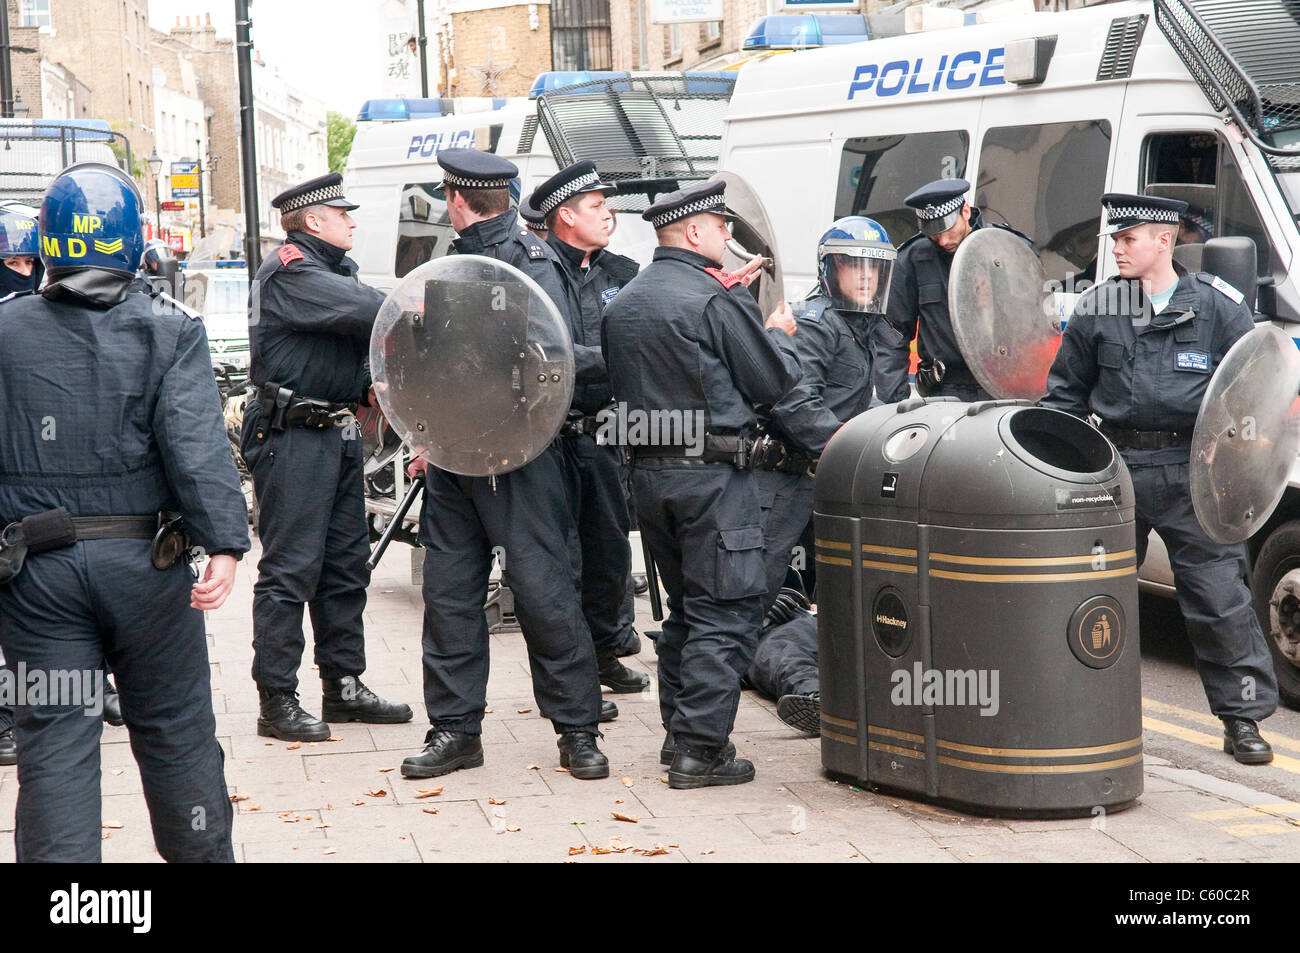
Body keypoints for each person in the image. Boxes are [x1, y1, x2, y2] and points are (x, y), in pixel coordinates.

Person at [0, 161, 248, 861]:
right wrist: (224, 543)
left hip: (36, 577)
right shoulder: (170, 330)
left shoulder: (7, 333)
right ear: (135, 241)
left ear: (47, 243)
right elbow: (196, 446)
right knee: (176, 733)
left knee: (55, 743)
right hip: (149, 569)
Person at [1040, 192, 1278, 765]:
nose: (1117, 249)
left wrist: (1239, 475)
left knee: (1220, 600)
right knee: (1087, 594)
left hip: (1193, 475)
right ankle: (1065, 709)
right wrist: (1059, 476)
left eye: (1128, 239)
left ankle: (1242, 718)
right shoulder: (1099, 309)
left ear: (1164, 241)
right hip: (1115, 469)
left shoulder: (1220, 309)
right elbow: (1065, 400)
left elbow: (1254, 398)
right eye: (1115, 240)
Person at [401, 148, 609, 781]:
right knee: (450, 597)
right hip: (456, 457)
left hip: (519, 458)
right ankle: (456, 730)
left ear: (457, 200)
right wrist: (424, 428)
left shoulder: (529, 262)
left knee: (545, 592)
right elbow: (427, 360)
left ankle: (578, 729)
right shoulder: (453, 265)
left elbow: (554, 359)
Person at [602, 179, 802, 788]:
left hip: (651, 479)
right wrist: (776, 336)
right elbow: (776, 386)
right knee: (728, 612)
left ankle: (678, 737)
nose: (728, 238)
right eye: (721, 227)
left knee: (688, 611)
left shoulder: (626, 300)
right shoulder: (715, 300)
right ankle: (699, 752)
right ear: (694, 231)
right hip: (716, 481)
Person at [243, 172, 412, 741]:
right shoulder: (291, 270)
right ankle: (277, 700)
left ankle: (343, 686)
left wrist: (369, 383)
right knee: (291, 569)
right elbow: (366, 310)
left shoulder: (336, 270)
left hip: (337, 433)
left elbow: (359, 340)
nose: (353, 222)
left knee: (344, 566)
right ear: (314, 220)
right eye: (344, 214)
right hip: (292, 435)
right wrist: (421, 297)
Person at [746, 216, 897, 735]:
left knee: (838, 585)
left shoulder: (866, 328)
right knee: (753, 598)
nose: (865, 276)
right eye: (852, 264)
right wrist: (846, 448)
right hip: (788, 481)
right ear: (828, 270)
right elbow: (793, 399)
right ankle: (707, 715)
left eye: (874, 267)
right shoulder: (815, 322)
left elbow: (861, 401)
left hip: (828, 479)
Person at [530, 161, 649, 698]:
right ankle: (572, 673)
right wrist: (616, 361)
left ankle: (605, 652)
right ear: (565, 216)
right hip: (548, 437)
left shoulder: (622, 272)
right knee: (562, 557)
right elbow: (545, 355)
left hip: (604, 432)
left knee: (608, 550)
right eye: (598, 206)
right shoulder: (538, 272)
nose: (610, 214)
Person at [875, 177, 1028, 402]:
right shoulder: (914, 258)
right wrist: (895, 404)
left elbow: (1035, 327)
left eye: (949, 228)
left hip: (1004, 388)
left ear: (965, 211)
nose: (944, 240)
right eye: (934, 233)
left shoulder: (1007, 247)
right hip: (944, 391)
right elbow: (892, 334)